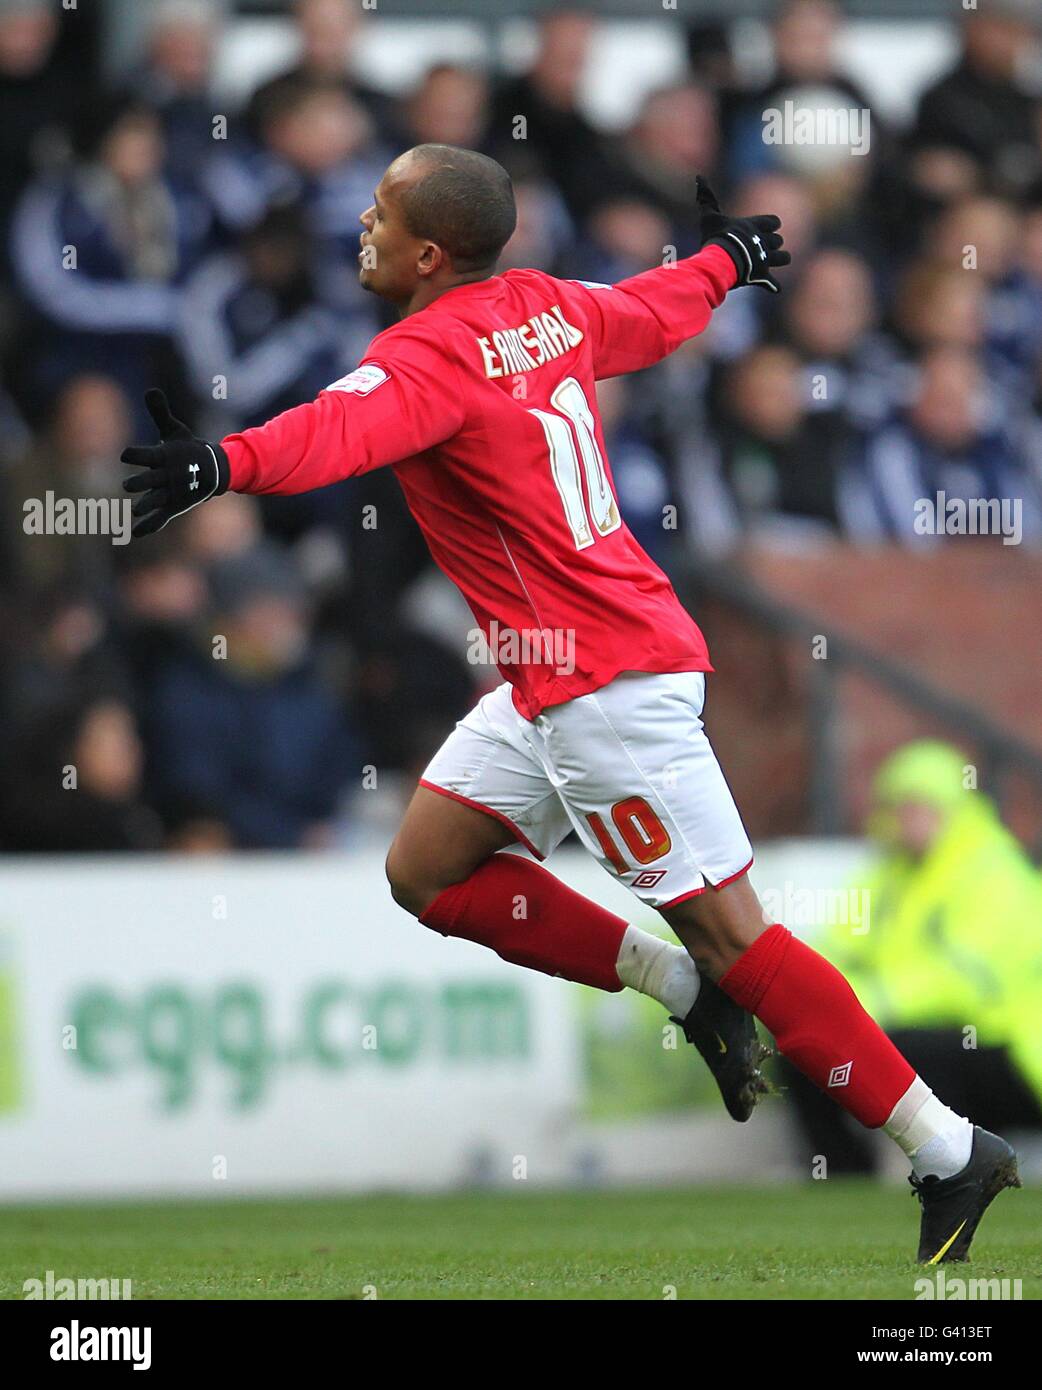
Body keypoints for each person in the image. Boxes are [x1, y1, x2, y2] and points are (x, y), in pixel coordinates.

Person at [120, 143, 1018, 1263]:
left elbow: (333, 430)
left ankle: (947, 1148)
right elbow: (648, 310)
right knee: (427, 871)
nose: (364, 224)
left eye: (382, 212)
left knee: (740, 935)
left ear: (429, 251)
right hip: (567, 669)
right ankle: (678, 985)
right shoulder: (547, 306)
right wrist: (725, 262)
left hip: (606, 688)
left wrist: (221, 465)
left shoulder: (426, 356)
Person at [784, 741, 1042, 1175]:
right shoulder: (886, 877)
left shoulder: (993, 870)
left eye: (923, 806)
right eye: (901, 807)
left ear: (955, 808)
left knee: (916, 1050)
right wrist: (802, 999)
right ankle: (844, 1185)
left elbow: (969, 981)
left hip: (1011, 1050)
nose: (910, 818)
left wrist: (868, 1003)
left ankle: (956, 1176)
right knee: (804, 1045)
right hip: (932, 1034)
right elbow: (837, 950)